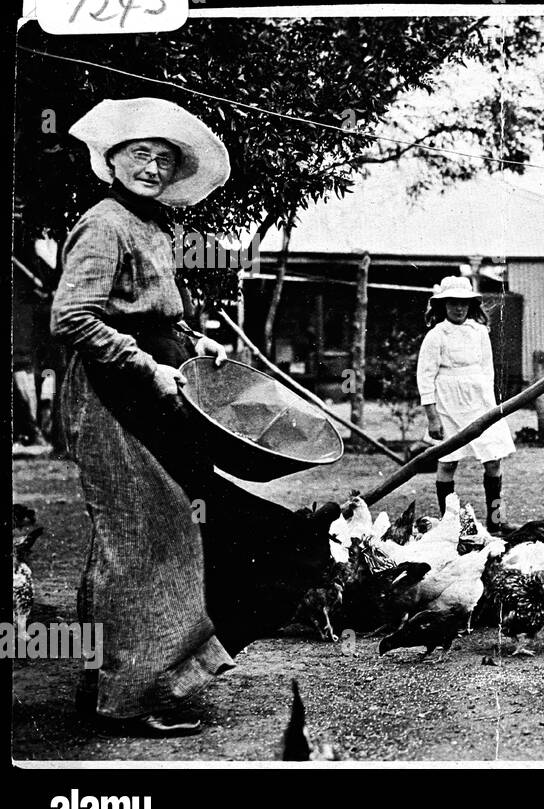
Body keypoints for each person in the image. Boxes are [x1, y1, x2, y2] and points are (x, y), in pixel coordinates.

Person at [52, 98, 339, 737]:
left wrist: (191, 341)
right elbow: (73, 316)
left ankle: (127, 678)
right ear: (112, 159)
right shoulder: (103, 223)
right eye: (139, 155)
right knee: (144, 542)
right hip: (113, 398)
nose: (151, 167)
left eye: (163, 159)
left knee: (173, 536)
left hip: (160, 396)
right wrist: (146, 366)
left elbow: (151, 311)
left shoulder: (151, 226)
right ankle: (133, 698)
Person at [417, 276, 517, 533]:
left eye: (463, 303)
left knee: (493, 459)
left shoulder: (479, 332)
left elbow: (487, 370)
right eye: (452, 303)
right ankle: (448, 525)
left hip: (480, 401)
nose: (458, 308)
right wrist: (432, 417)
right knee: (448, 462)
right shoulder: (436, 336)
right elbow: (425, 377)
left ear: (471, 305)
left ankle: (495, 520)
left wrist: (492, 407)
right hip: (448, 403)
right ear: (443, 305)